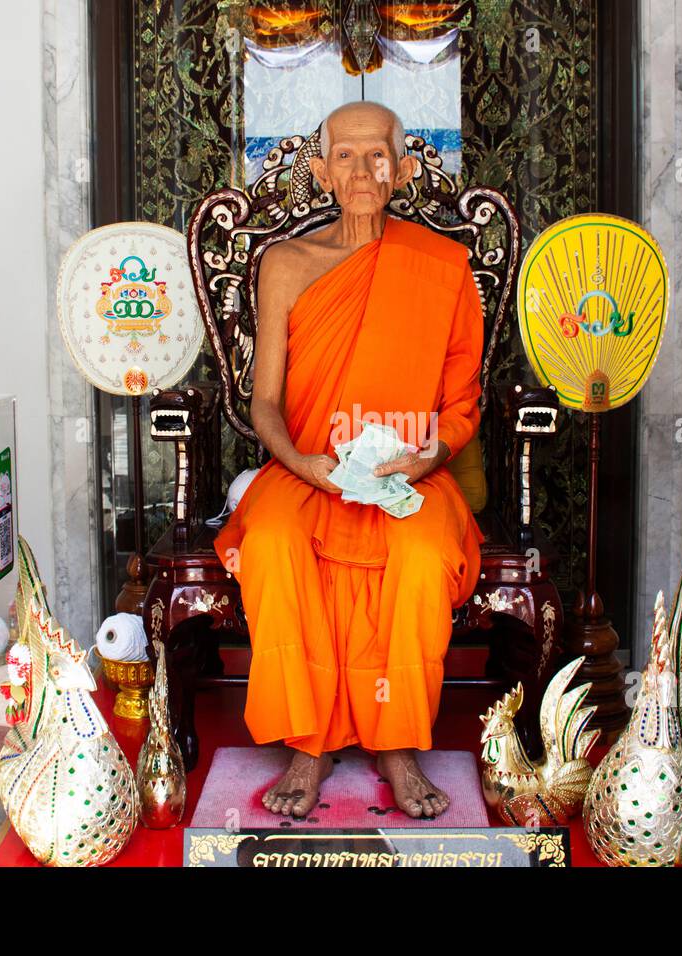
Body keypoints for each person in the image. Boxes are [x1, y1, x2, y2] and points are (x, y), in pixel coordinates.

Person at [212, 101, 485, 819]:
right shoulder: (286, 263)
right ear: (321, 171)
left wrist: (429, 457)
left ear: (404, 169)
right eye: (344, 156)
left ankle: (397, 744)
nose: (362, 170)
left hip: (409, 473)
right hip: (309, 469)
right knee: (273, 541)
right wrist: (300, 463)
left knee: (421, 553)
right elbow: (264, 402)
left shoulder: (442, 265)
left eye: (377, 155)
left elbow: (462, 402)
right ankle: (309, 743)